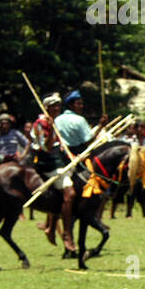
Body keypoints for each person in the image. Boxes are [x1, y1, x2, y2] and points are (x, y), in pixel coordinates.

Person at [54, 91, 107, 251]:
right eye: (79, 103)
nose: (82, 106)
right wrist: (101, 126)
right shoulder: (79, 120)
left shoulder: (57, 119)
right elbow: (89, 140)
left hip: (61, 158)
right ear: (71, 104)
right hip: (78, 158)